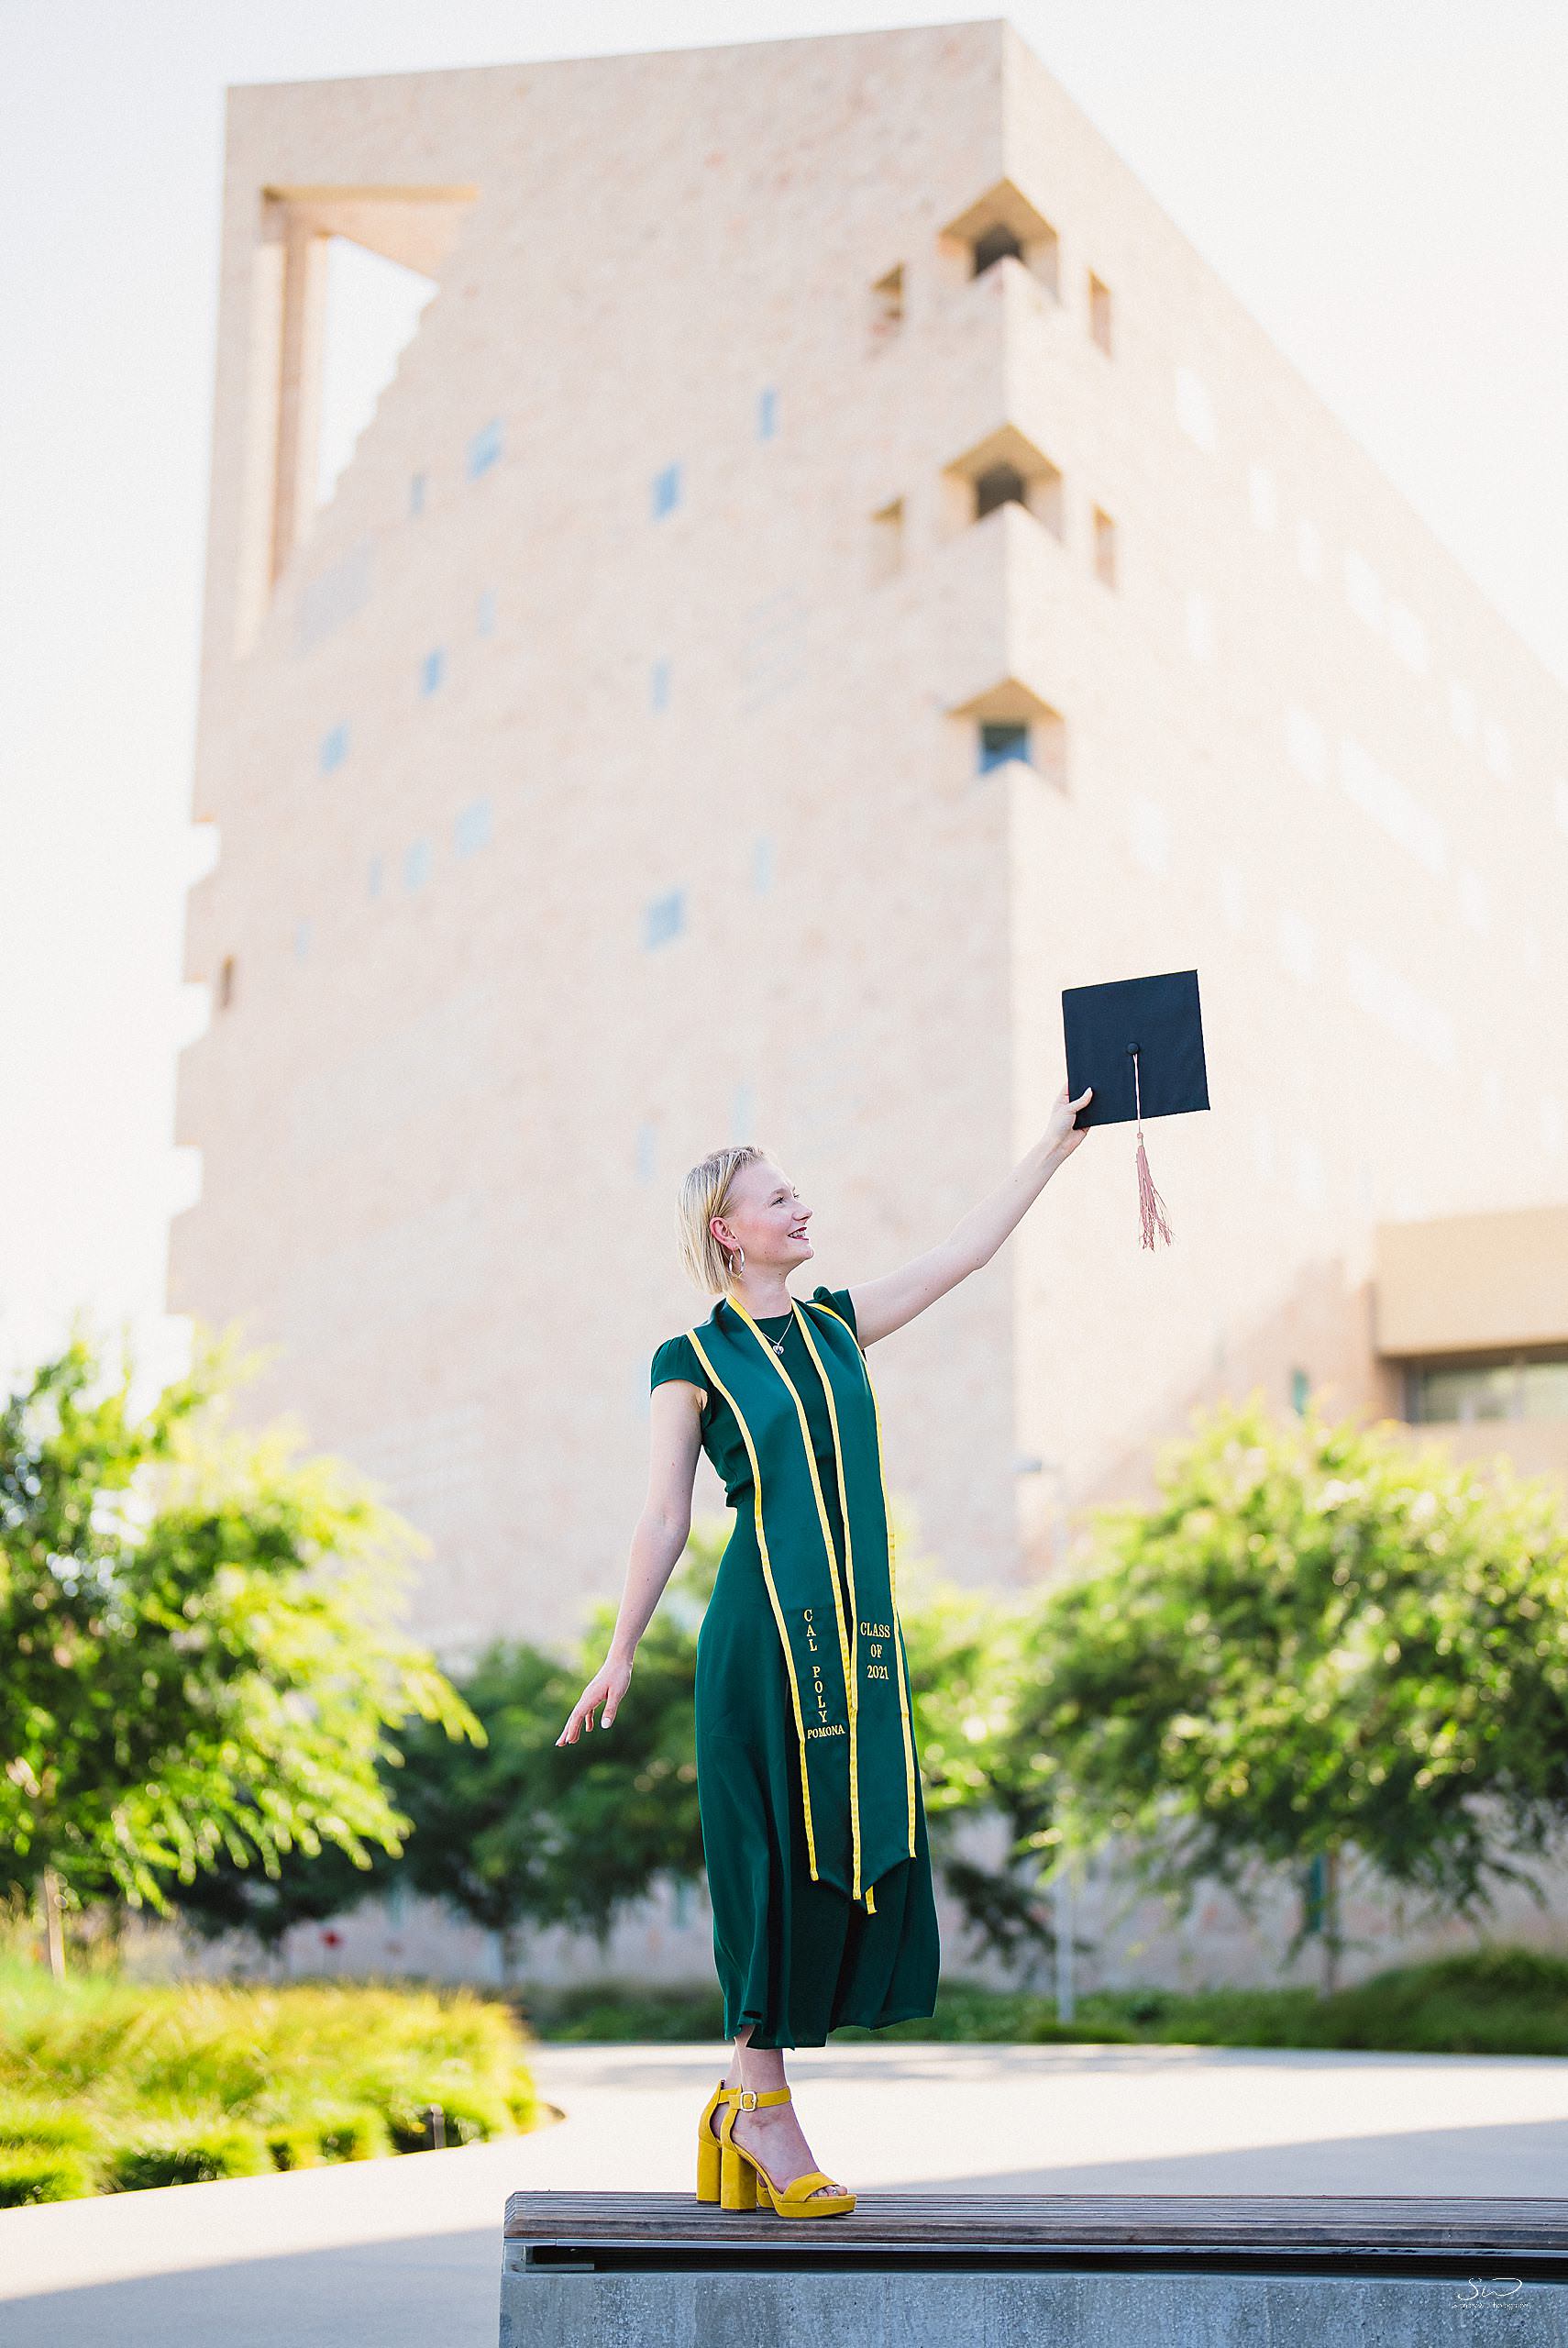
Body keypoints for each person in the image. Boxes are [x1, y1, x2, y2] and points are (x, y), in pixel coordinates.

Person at [558, 1080, 1093, 2217]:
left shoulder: (841, 1321)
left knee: (842, 1848)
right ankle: (763, 2107)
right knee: (759, 1859)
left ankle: (736, 2097)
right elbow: (664, 1516)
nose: (800, 1206)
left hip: (859, 1647)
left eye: (796, 1190)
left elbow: (963, 1254)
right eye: (776, 1196)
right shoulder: (689, 1358)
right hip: (759, 1641)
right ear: (728, 1229)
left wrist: (1054, 1144)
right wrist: (618, 1651)